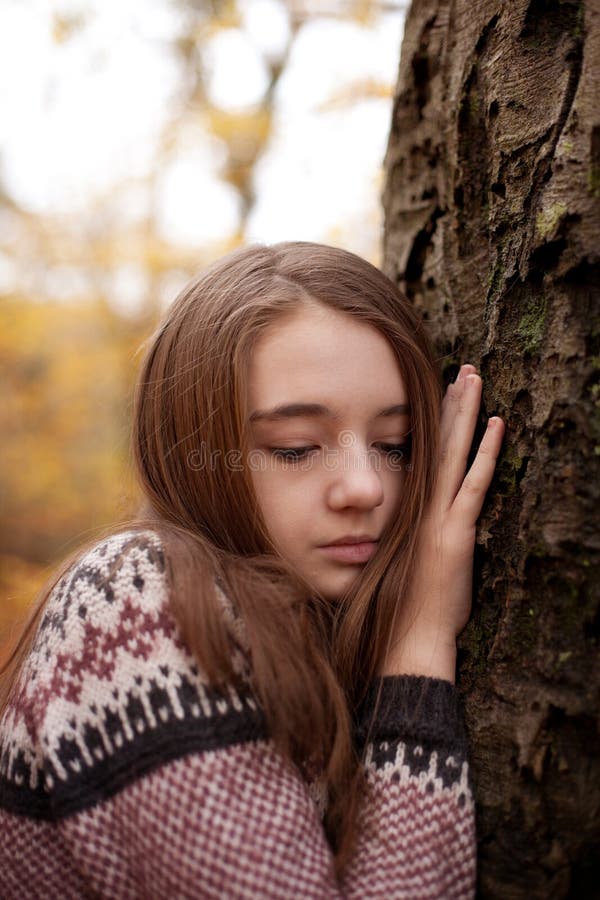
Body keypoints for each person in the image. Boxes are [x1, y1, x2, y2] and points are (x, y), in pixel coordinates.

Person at [0, 242, 504, 898]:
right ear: (193, 449)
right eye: (295, 449)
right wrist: (421, 647)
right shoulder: (135, 602)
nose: (365, 487)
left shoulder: (317, 619)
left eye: (396, 445)